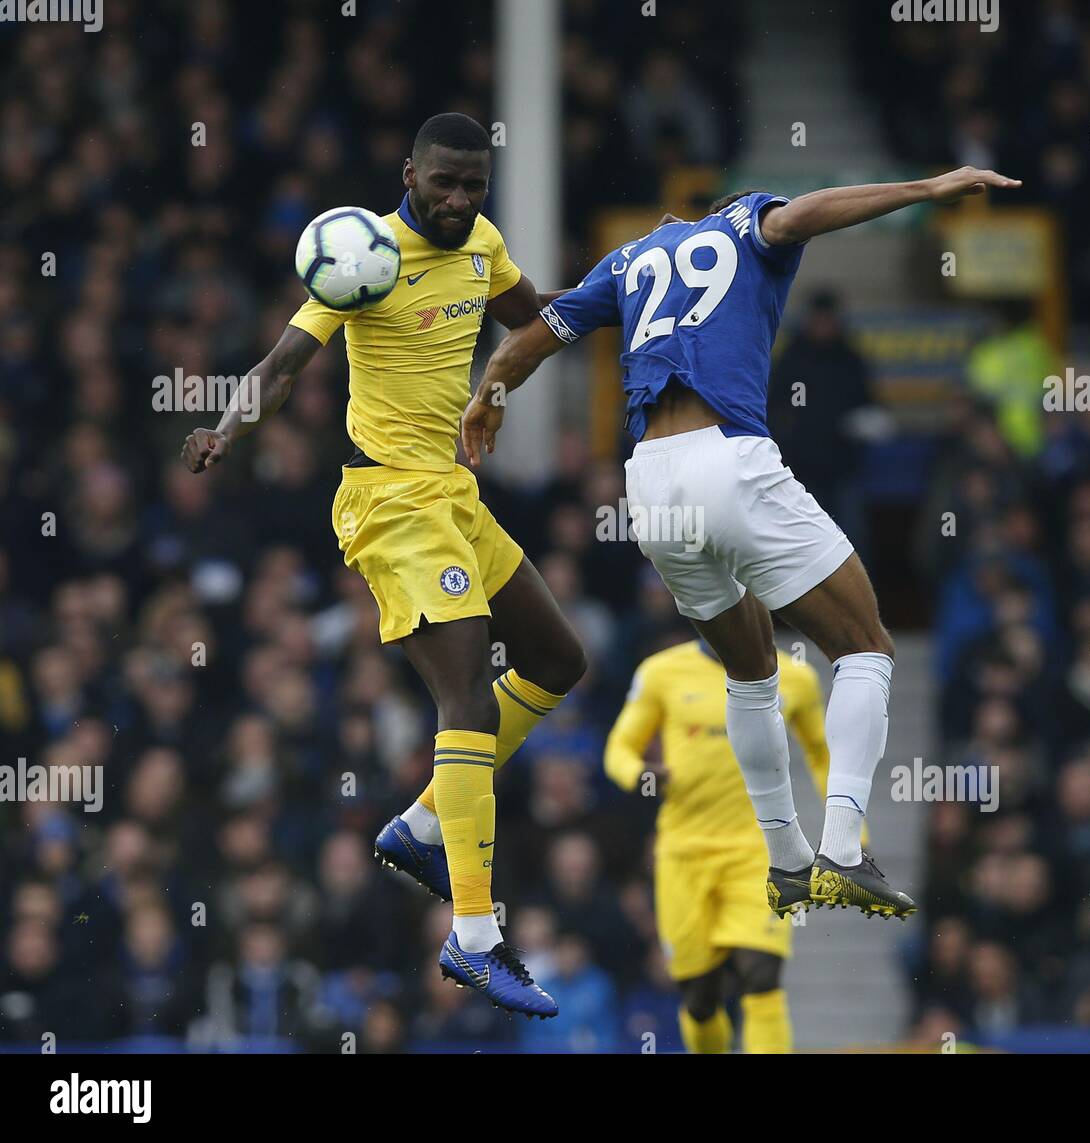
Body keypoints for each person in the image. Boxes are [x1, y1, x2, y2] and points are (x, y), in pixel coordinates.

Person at [463, 166, 1021, 920]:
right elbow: (809, 213)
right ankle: (844, 848)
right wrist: (924, 191)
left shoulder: (629, 262)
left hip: (648, 489)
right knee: (865, 647)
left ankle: (786, 858)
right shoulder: (742, 225)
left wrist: (485, 400)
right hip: (728, 462)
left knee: (752, 668)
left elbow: (523, 343)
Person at [182, 113, 587, 1018]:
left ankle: (421, 823)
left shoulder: (482, 244)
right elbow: (282, 363)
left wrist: (621, 299)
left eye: (471, 185)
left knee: (559, 659)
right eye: (442, 181)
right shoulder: (362, 255)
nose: (456, 199)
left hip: (452, 493)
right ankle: (475, 936)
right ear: (409, 172)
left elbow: (536, 319)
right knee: (469, 695)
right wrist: (228, 425)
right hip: (390, 506)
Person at [605, 639, 828, 1053]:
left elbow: (822, 752)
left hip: (762, 850)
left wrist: (851, 829)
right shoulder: (661, 672)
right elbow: (618, 748)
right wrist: (639, 774)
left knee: (761, 977)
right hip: (684, 855)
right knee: (700, 997)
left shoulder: (796, 678)